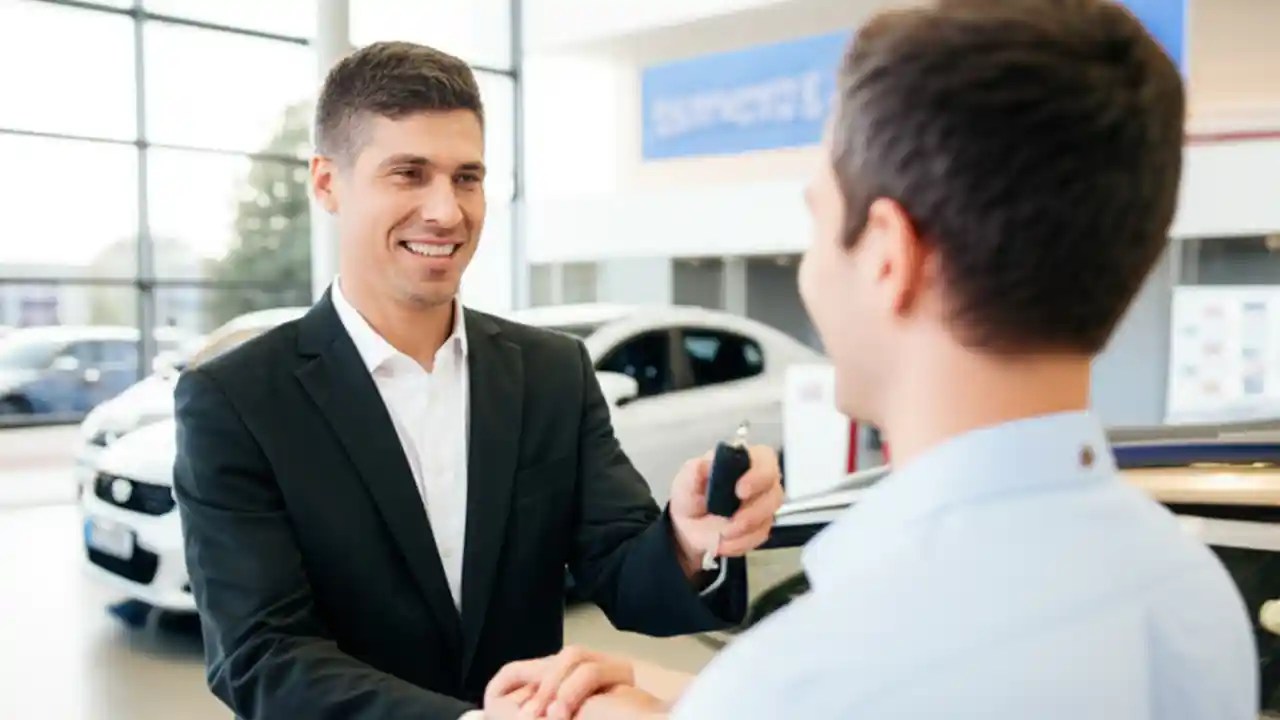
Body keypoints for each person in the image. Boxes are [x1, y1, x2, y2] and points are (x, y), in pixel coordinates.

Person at [482, 1, 1260, 718]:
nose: (810, 271)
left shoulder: (812, 671)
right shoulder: (1195, 601)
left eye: (818, 224)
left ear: (888, 254)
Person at [172, 41, 783, 720]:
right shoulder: (239, 400)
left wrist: (689, 539)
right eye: (409, 173)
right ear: (326, 182)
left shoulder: (551, 371)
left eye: (467, 177)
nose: (447, 211)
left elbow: (618, 566)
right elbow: (261, 653)